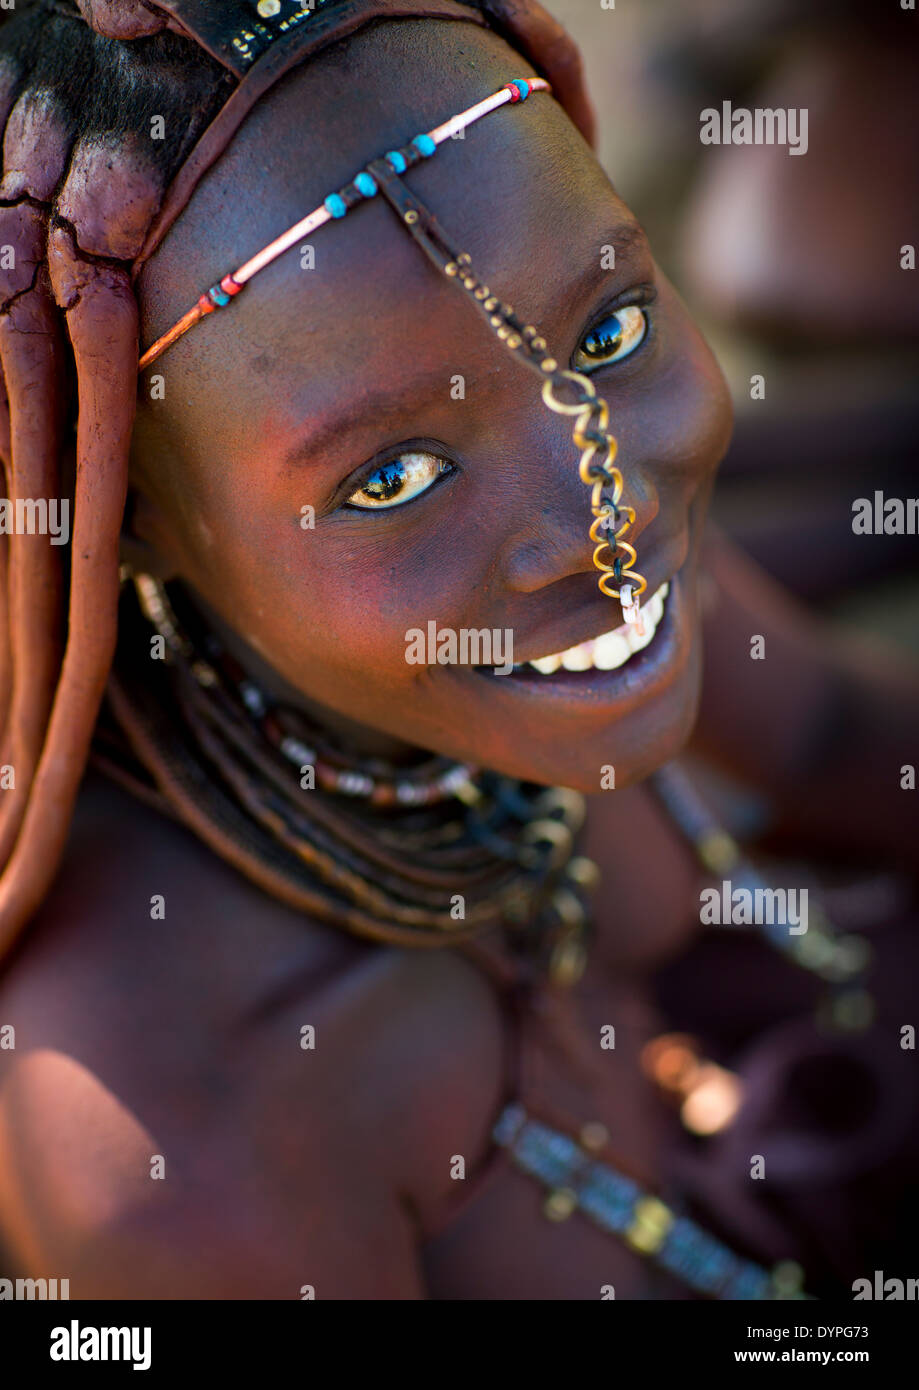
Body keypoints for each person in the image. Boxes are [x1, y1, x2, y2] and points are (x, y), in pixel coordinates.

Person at [0, 0, 915, 1300]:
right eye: (395, 475)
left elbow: (836, 738)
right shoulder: (186, 1147)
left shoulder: (590, 518)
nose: (610, 522)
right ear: (139, 521)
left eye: (607, 332)